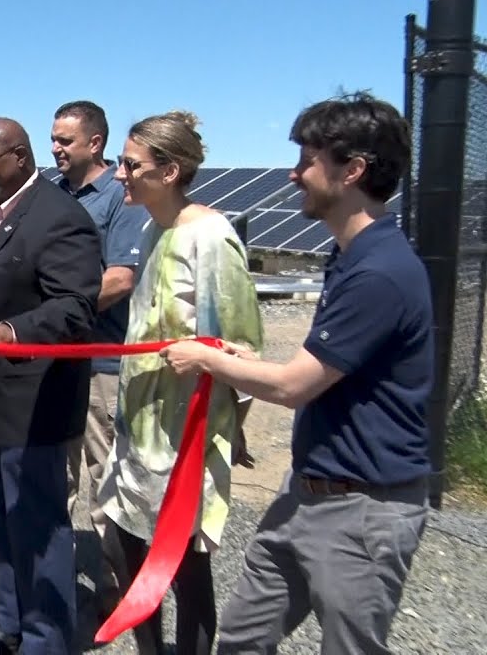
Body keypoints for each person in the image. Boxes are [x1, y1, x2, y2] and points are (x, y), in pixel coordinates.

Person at [162, 93, 430, 655]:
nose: (293, 173)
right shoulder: (350, 255)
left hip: (364, 508)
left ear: (352, 171)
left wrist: (205, 359)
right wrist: (240, 359)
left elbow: (293, 386)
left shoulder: (380, 272)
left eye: (308, 160)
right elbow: (322, 368)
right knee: (242, 638)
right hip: (306, 491)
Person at [96, 111, 263, 655]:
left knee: (184, 570)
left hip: (185, 440)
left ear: (169, 172)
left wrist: (230, 422)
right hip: (139, 436)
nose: (119, 174)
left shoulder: (210, 238)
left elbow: (243, 346)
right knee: (126, 551)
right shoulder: (152, 230)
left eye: (131, 165)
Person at [0, 117, 102, 654]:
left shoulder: (60, 217)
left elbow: (75, 306)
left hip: (32, 404)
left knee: (37, 527)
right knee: (0, 520)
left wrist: (11, 330)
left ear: (20, 156)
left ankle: (46, 641)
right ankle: (11, 626)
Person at [51, 100, 149, 615]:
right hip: (54, 361)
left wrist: (54, 314)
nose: (55, 148)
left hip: (102, 364)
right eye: (53, 138)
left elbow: (121, 279)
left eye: (65, 140)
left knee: (105, 477)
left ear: (95, 143)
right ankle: (53, 581)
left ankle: (117, 589)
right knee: (55, 477)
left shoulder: (121, 198)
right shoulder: (52, 196)